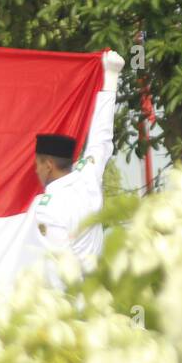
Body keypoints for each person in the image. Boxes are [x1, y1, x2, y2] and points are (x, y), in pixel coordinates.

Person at [29, 50, 124, 280]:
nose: (36, 170)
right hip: (98, 293)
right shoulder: (88, 177)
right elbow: (101, 138)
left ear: (49, 164)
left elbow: (59, 269)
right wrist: (111, 77)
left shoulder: (47, 208)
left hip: (72, 305)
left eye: (38, 164)